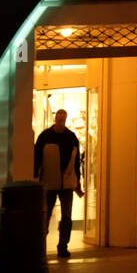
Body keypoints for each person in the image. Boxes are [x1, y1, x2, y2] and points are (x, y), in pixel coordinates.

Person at [34, 108, 83, 259]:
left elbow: (75, 163)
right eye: (59, 116)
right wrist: (36, 178)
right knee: (47, 215)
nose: (61, 119)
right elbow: (36, 160)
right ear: (55, 118)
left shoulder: (70, 137)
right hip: (50, 183)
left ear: (65, 119)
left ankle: (62, 246)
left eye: (63, 116)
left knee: (64, 216)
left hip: (65, 184)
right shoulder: (46, 136)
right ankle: (44, 247)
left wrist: (77, 183)